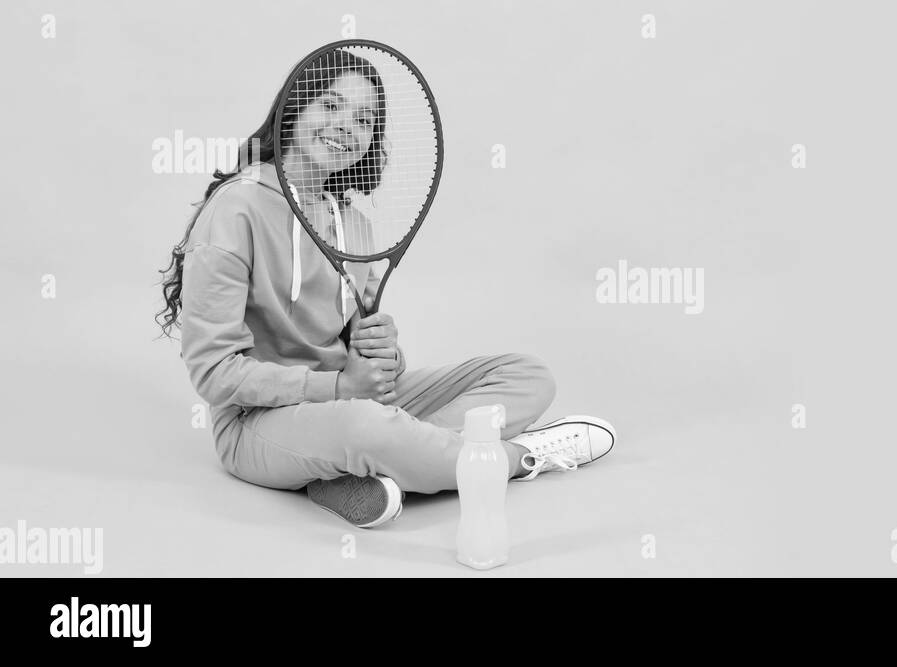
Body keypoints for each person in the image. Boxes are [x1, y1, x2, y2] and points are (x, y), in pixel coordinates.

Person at [155, 49, 615, 528]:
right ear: (293, 111)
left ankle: (368, 466)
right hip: (257, 425)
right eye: (330, 106)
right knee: (366, 426)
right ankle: (514, 459)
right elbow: (213, 371)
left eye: (364, 119)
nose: (345, 126)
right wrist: (337, 386)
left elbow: (364, 363)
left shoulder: (353, 224)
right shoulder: (237, 209)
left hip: (351, 405)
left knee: (526, 375)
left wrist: (384, 356)